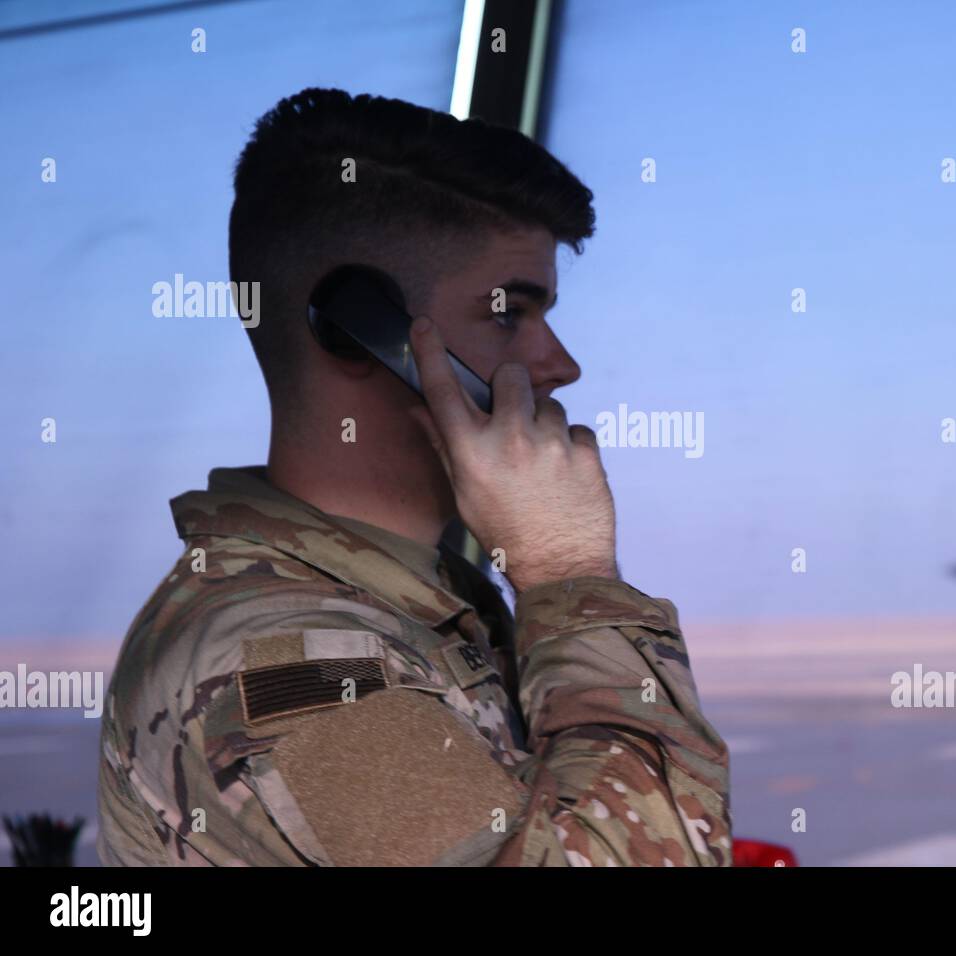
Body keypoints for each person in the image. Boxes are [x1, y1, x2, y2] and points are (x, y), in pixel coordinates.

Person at [96, 88, 731, 866]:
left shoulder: (413, 608)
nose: (559, 364)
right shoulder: (291, 659)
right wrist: (569, 574)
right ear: (362, 329)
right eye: (509, 313)